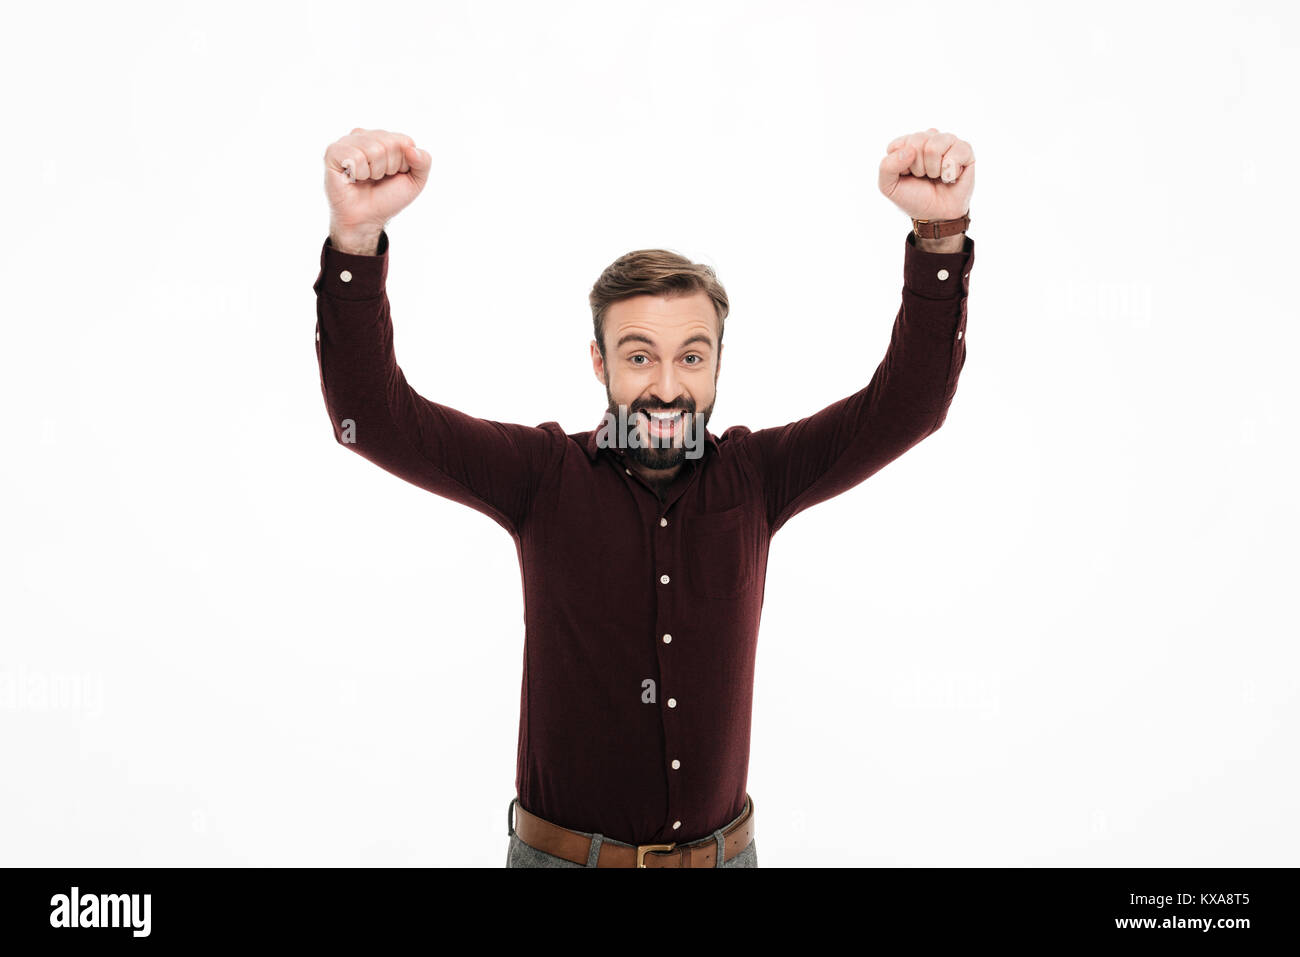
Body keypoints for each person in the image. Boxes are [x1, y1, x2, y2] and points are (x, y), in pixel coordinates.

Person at [312, 126, 976, 867]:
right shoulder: (541, 477)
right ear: (599, 361)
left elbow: (910, 404)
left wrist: (940, 237)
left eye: (691, 356)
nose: (666, 386)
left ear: (719, 358)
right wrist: (357, 241)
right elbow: (370, 419)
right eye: (638, 356)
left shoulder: (757, 478)